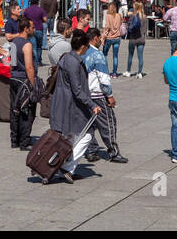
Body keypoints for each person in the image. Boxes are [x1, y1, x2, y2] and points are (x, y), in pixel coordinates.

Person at [45, 30, 102, 184]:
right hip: (71, 106)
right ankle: (67, 166)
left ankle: (62, 165)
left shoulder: (67, 57)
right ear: (83, 47)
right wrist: (92, 105)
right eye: (87, 47)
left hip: (63, 103)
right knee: (87, 134)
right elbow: (77, 89)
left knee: (69, 137)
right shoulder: (73, 62)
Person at [82, 27, 126, 163]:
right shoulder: (97, 55)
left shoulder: (82, 52)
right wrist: (110, 96)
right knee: (108, 123)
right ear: (95, 38)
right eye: (100, 38)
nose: (101, 40)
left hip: (84, 95)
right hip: (97, 95)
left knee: (88, 125)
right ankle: (113, 152)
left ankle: (90, 150)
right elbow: (103, 78)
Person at [7, 18, 36, 148]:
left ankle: (14, 139)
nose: (34, 29)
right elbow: (29, 66)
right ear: (26, 29)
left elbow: (11, 64)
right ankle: (24, 140)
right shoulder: (27, 44)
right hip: (24, 80)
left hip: (13, 78)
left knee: (15, 109)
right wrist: (33, 84)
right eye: (32, 27)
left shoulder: (13, 42)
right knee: (27, 110)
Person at [123, 1, 147, 78]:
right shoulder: (144, 17)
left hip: (133, 38)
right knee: (140, 56)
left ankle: (128, 71)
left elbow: (128, 26)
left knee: (130, 55)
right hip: (141, 38)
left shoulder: (133, 16)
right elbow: (145, 29)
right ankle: (139, 73)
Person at [101, 1, 124, 74]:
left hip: (109, 38)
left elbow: (106, 27)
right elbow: (120, 25)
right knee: (115, 56)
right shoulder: (119, 15)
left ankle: (106, 71)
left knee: (104, 54)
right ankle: (114, 73)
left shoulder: (108, 16)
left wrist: (103, 38)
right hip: (117, 37)